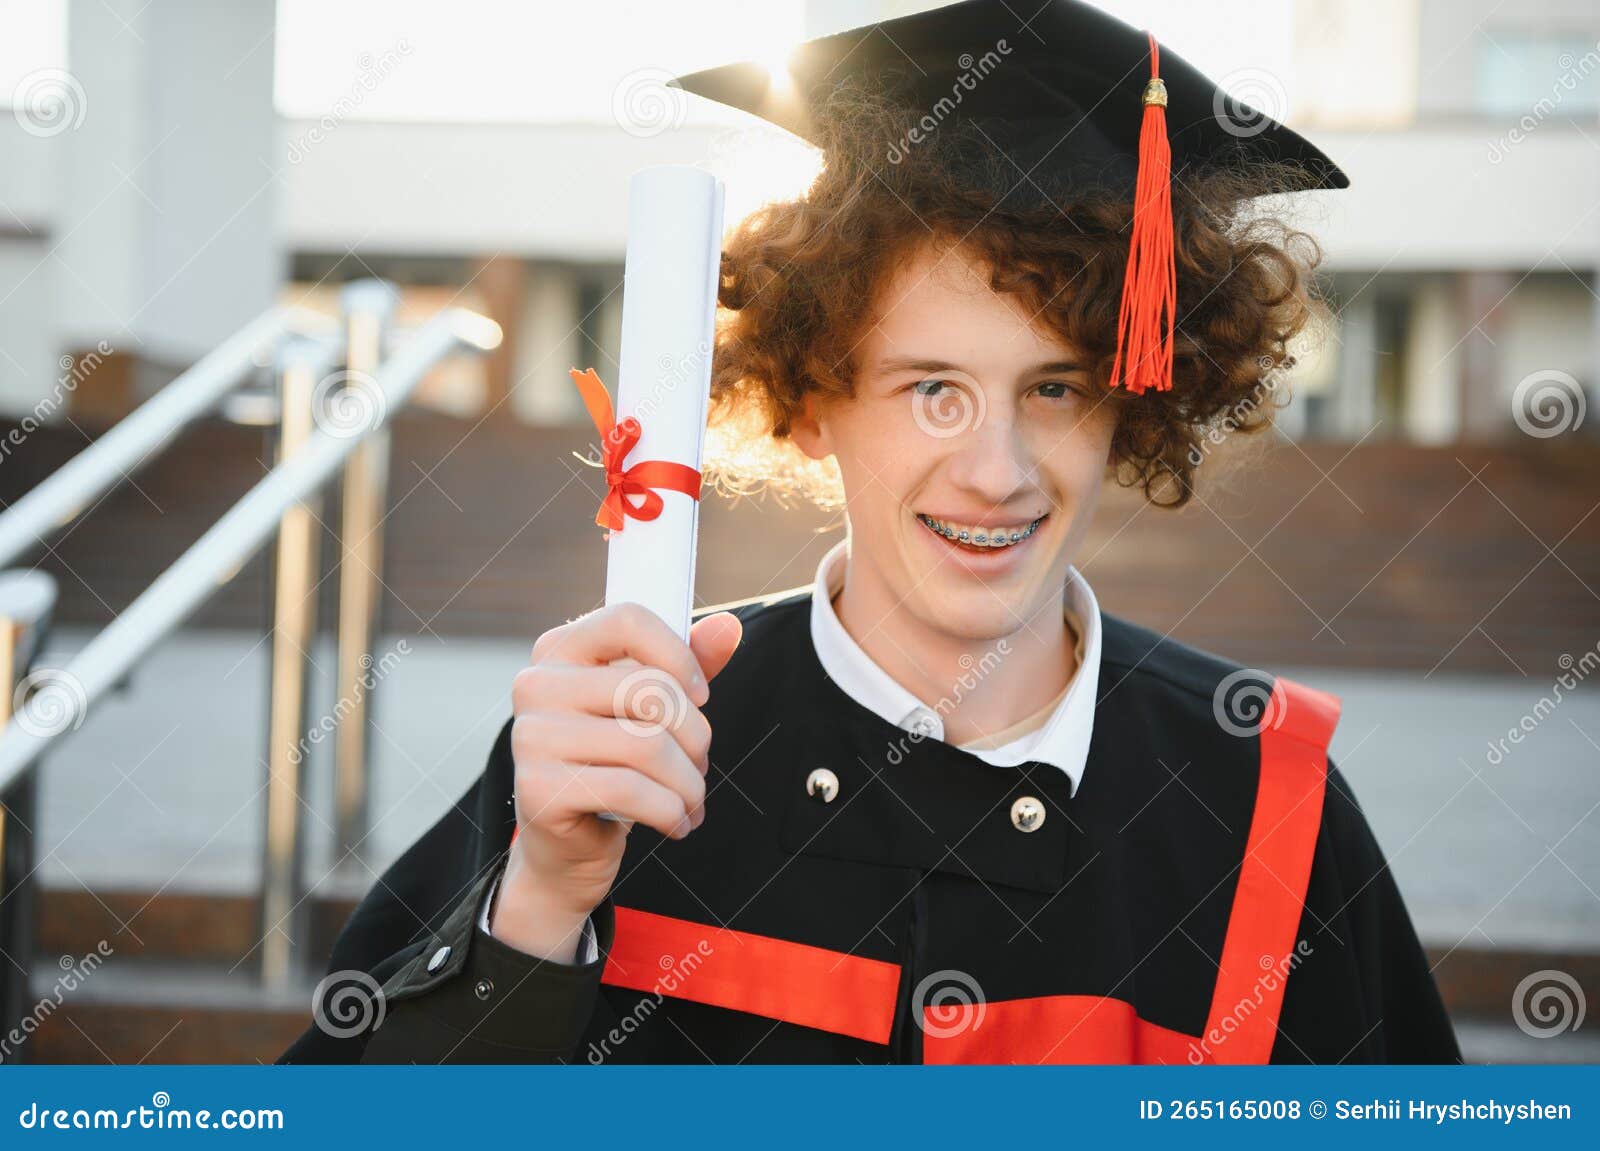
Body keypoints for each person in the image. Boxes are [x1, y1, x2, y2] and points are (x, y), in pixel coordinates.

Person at [282, 0, 1460, 1064]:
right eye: (929, 388)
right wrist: (538, 909)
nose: (995, 472)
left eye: (1055, 389)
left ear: (1135, 404)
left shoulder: (1256, 798)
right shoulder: (629, 742)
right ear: (811, 399)